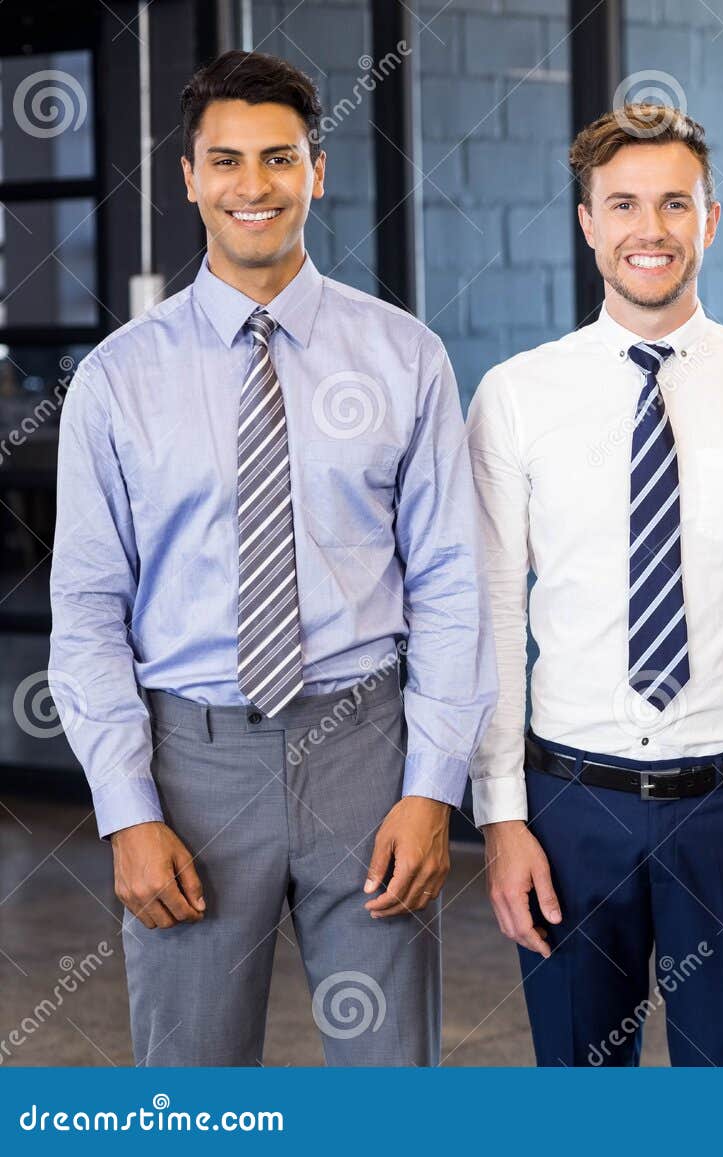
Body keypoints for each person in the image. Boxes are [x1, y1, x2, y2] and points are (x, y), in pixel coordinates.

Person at [48, 51, 494, 1066]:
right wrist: (127, 810)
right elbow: (85, 608)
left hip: (366, 753)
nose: (255, 186)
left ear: (317, 171)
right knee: (195, 1091)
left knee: (389, 1087)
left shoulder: (405, 356)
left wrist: (431, 786)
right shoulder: (117, 380)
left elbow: (452, 582)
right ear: (191, 178)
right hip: (190, 763)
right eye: (228, 161)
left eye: (279, 158)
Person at [466, 103, 723, 1067]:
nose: (651, 229)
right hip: (568, 805)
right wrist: (501, 816)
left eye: (676, 203)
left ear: (710, 218)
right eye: (623, 204)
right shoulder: (514, 395)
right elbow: (495, 619)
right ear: (587, 221)